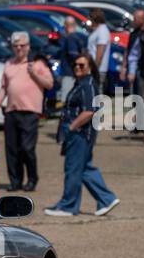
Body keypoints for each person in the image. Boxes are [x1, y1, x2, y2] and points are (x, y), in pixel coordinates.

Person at [45, 53, 118, 217]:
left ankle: (69, 206)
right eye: (75, 65)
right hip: (79, 132)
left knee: (73, 169)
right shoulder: (82, 83)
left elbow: (89, 111)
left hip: (80, 133)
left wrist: (72, 127)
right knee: (84, 168)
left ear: (90, 67)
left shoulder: (87, 84)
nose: (77, 67)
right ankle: (106, 199)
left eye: (82, 65)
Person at [0, 31, 54, 193]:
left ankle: (32, 179)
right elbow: (3, 87)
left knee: (27, 148)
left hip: (30, 112)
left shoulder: (37, 65)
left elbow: (49, 84)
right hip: (11, 111)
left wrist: (34, 74)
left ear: (28, 47)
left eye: (22, 46)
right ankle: (15, 181)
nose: (19, 49)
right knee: (12, 149)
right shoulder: (9, 64)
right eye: (15, 46)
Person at [56, 16, 87, 104]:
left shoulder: (70, 38)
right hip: (74, 73)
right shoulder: (79, 36)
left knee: (66, 100)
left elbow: (73, 56)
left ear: (66, 25)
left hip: (69, 73)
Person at [86, 8, 112, 93]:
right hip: (93, 67)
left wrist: (94, 68)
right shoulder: (97, 30)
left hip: (98, 69)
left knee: (97, 93)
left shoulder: (102, 31)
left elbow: (100, 53)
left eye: (90, 19)